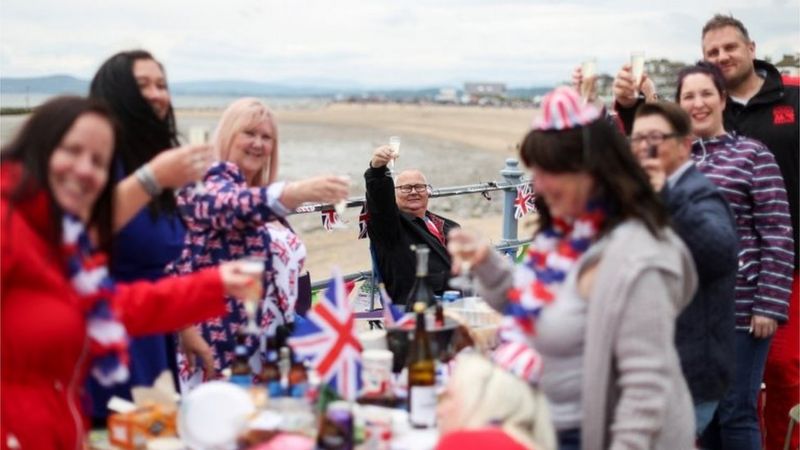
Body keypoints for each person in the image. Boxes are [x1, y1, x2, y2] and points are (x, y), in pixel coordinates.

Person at [0, 96, 257, 450]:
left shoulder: (58, 239)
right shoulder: (8, 224)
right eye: (72, 150)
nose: (85, 169)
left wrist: (214, 284)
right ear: (37, 148)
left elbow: (113, 307)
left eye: (99, 162)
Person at [448, 87, 697, 450]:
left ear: (592, 172)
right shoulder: (565, 230)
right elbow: (529, 307)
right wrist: (486, 263)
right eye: (535, 171)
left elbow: (646, 390)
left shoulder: (638, 256)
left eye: (549, 171)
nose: (537, 184)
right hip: (544, 426)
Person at [168, 97, 349, 389]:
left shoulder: (261, 197)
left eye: (267, 137)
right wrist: (297, 192)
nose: (258, 143)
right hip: (221, 355)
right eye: (249, 133)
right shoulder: (205, 185)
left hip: (270, 354)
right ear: (228, 135)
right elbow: (231, 206)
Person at [86, 49, 212, 424]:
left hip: (153, 332)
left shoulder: (152, 164)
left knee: (156, 435)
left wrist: (184, 326)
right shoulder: (93, 161)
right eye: (143, 85)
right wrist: (153, 176)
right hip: (103, 334)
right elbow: (78, 237)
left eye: (161, 84)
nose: (157, 94)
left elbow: (156, 267)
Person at [631, 101, 739, 437]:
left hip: (687, 372)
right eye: (637, 139)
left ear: (684, 145)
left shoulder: (699, 194)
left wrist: (665, 196)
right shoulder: (649, 193)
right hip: (654, 365)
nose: (644, 148)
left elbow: (719, 253)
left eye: (655, 138)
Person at [364, 146, 459, 305]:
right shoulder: (390, 226)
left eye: (419, 187)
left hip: (460, 298)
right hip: (419, 304)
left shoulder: (450, 226)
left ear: (428, 191)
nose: (414, 192)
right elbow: (380, 200)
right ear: (393, 193)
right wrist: (377, 170)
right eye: (406, 188)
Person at [436, 352, 556, 450]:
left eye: (448, 397)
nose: (439, 410)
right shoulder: (530, 441)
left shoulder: (464, 443)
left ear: (479, 400)